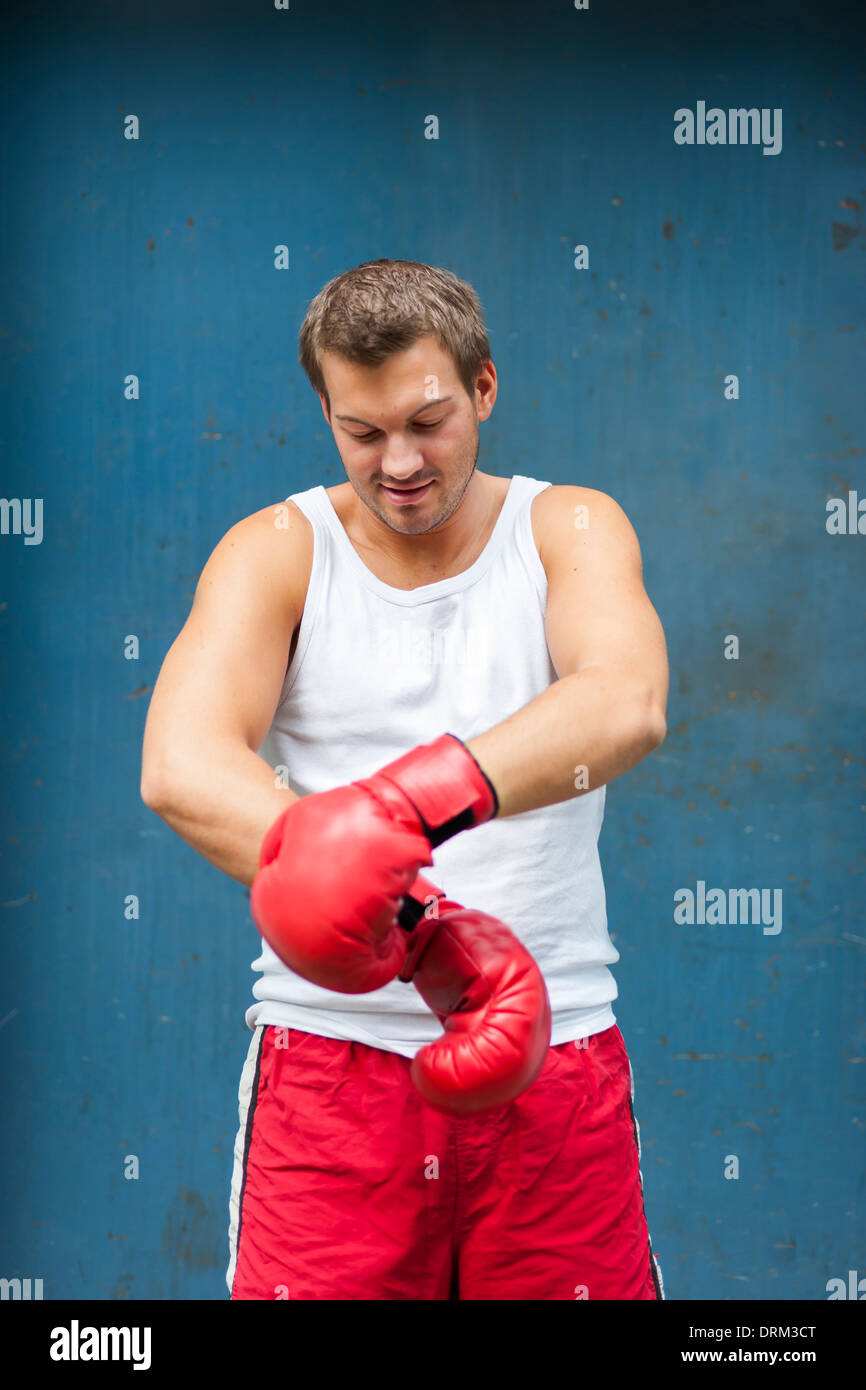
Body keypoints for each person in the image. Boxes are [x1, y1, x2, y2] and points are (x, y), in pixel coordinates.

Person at [140, 258, 670, 1301]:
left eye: (426, 422)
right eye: (361, 431)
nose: (398, 463)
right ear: (326, 413)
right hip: (334, 1074)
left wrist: (399, 809)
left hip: (553, 1055)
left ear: (482, 388)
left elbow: (624, 700)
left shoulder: (565, 526)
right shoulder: (278, 549)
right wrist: (418, 924)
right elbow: (180, 764)